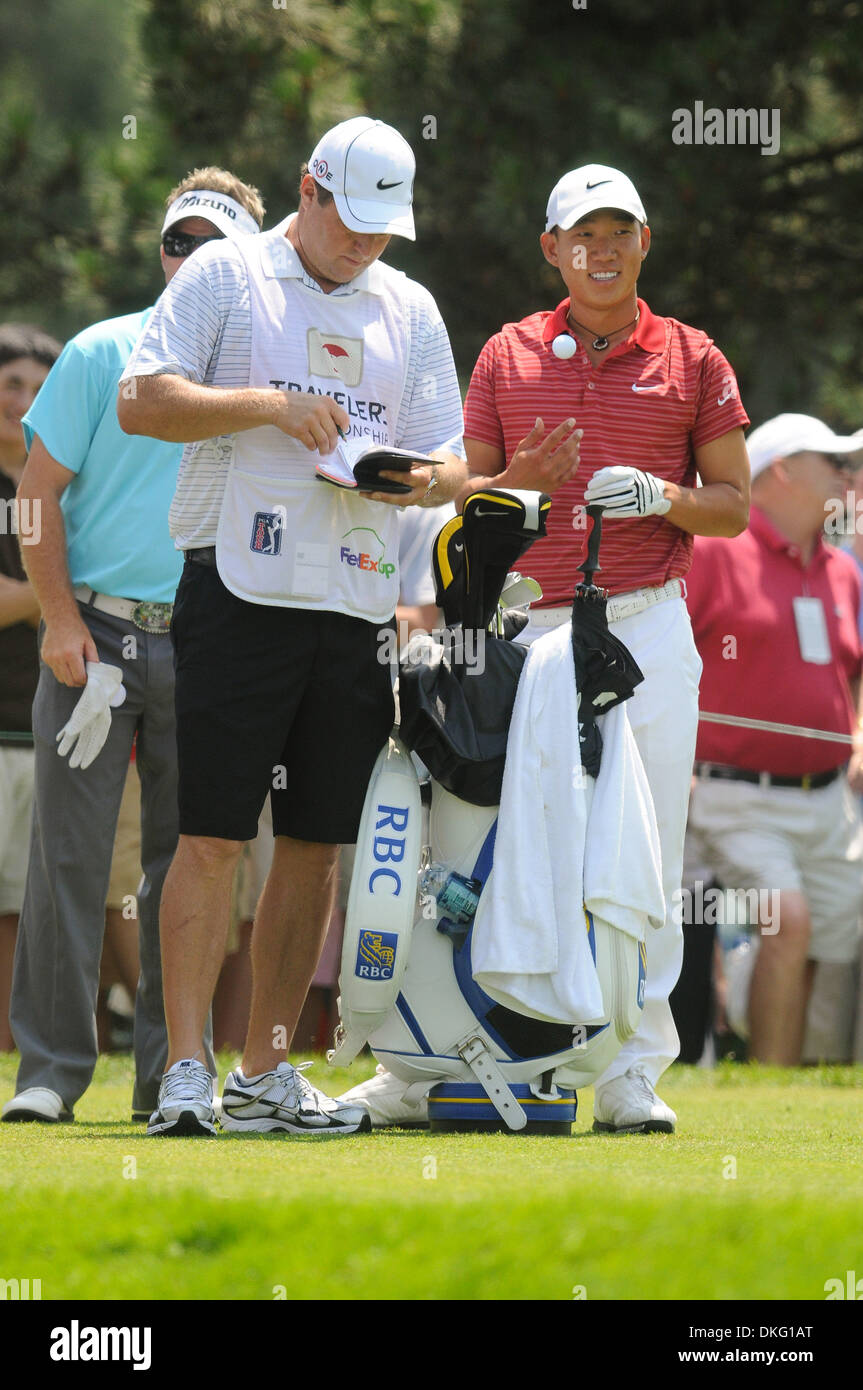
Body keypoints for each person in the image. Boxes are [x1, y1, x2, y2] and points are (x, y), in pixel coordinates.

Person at [343, 163, 751, 1132]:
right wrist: (502, 480)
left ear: (642, 242)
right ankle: (440, 1052)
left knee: (641, 852)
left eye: (618, 230)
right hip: (519, 624)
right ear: (550, 247)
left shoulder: (691, 357)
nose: (600, 247)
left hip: (640, 622)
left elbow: (730, 505)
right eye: (582, 232)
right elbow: (468, 485)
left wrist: (660, 496)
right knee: (485, 843)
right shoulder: (506, 353)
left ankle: (629, 1070)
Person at [117, 116, 466, 1137]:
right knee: (214, 835)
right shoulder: (224, 275)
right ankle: (187, 1068)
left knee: (317, 845)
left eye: (382, 231)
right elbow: (145, 400)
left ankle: (264, 1071)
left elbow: (446, 462)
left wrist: (398, 473)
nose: (365, 246)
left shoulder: (411, 305)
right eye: (351, 222)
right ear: (307, 190)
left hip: (354, 601)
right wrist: (268, 405)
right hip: (233, 588)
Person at [1, 169, 265, 1126]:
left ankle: (171, 1077)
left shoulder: (263, 372)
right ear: (161, 251)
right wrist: (61, 618)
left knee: (190, 864)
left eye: (211, 245)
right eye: (176, 242)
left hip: (214, 639)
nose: (188, 260)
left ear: (244, 258)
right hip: (98, 642)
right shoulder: (99, 350)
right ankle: (51, 1073)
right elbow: (36, 494)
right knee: (68, 861)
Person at [686, 413, 863, 1065]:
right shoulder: (713, 550)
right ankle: (770, 1081)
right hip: (735, 798)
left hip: (829, 805)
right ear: (781, 472)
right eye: (833, 464)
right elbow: (659, 658)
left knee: (830, 947)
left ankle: (795, 1074)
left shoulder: (841, 570)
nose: (848, 478)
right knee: (785, 922)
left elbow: (851, 674)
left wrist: (856, 736)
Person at [0, 324, 62, 1050]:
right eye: (12, 384)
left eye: (41, 390)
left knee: (27, 909)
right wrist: (63, 588)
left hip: (48, 729)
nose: (23, 401)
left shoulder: (65, 489)